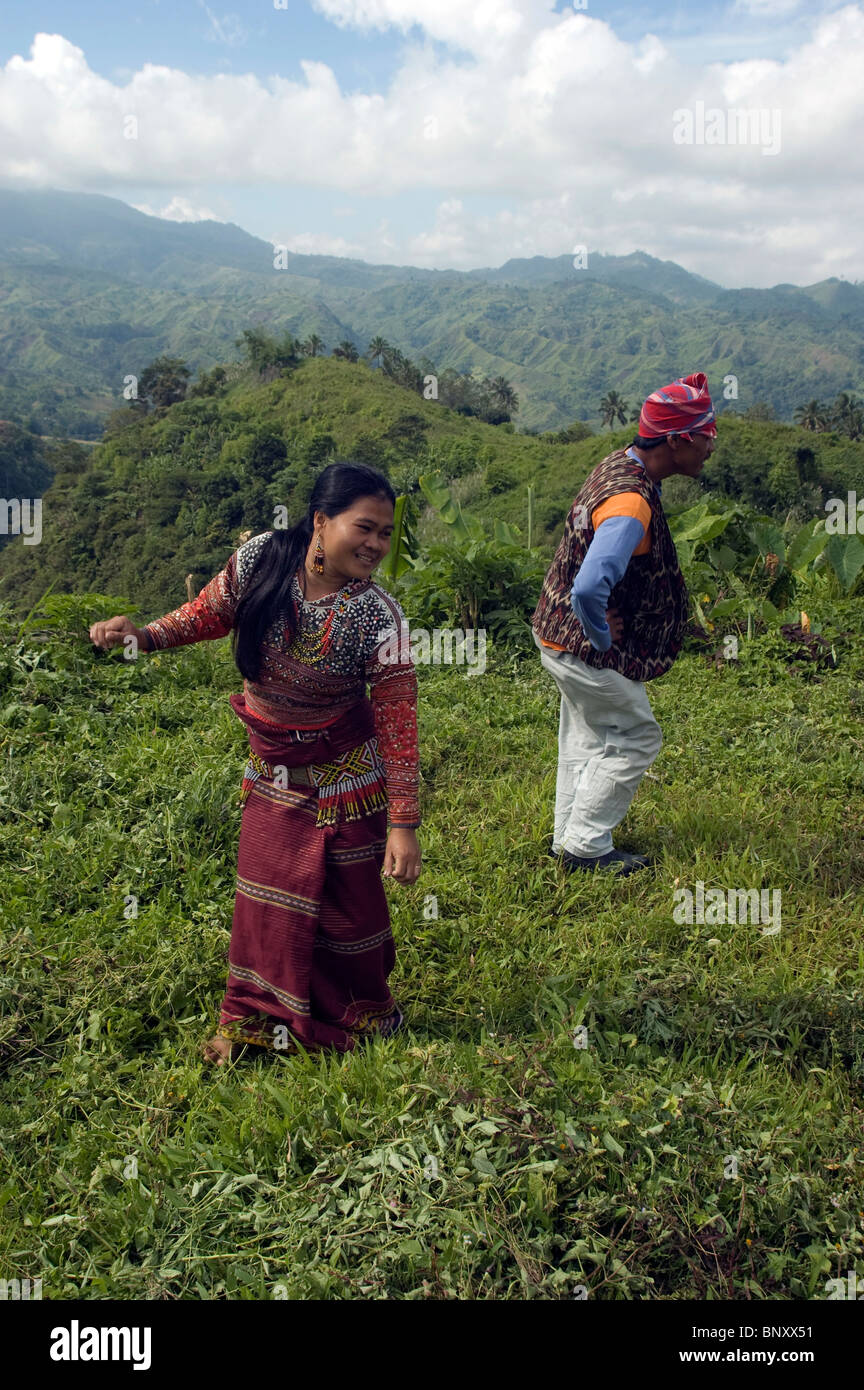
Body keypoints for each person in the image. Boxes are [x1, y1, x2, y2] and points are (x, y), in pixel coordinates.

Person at [89, 462, 421, 1063]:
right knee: (266, 904)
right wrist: (143, 636)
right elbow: (206, 615)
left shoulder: (380, 616)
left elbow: (397, 720)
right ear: (321, 521)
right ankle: (248, 1024)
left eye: (385, 533)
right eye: (364, 528)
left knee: (349, 916)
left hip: (348, 780)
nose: (375, 544)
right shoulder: (262, 560)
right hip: (273, 776)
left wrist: (404, 823)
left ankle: (361, 1016)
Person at [531, 372, 717, 875]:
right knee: (638, 735)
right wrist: (601, 634)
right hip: (580, 646)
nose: (711, 447)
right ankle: (586, 848)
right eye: (706, 436)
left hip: (553, 634)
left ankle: (568, 837)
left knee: (585, 736)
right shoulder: (631, 502)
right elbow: (590, 587)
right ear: (678, 441)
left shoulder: (622, 464)